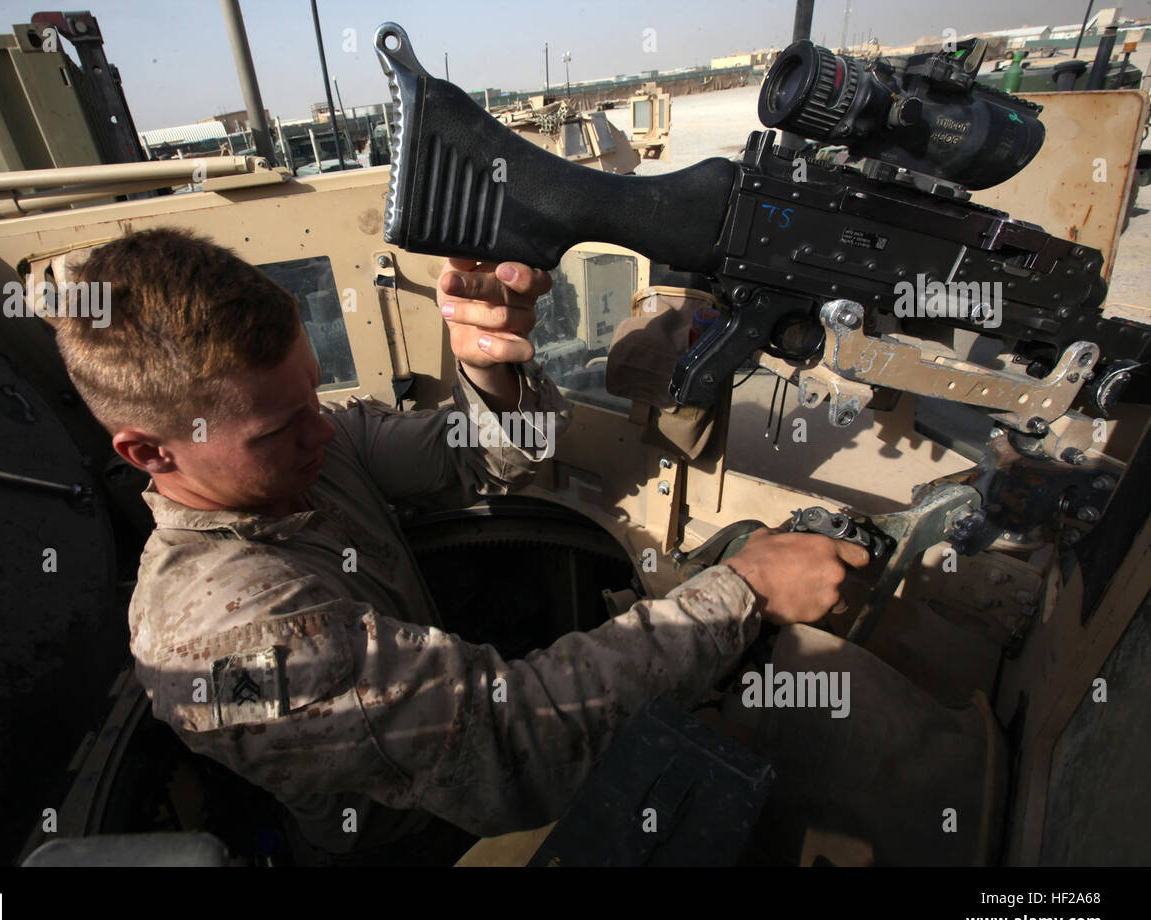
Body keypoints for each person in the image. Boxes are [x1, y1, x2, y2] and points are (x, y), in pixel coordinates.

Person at [55, 227, 868, 864]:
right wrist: (741, 592)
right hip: (416, 845)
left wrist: (489, 367)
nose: (321, 431)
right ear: (150, 452)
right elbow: (511, 748)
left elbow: (479, 457)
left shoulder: (309, 447)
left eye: (314, 392)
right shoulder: (223, 636)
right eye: (278, 427)